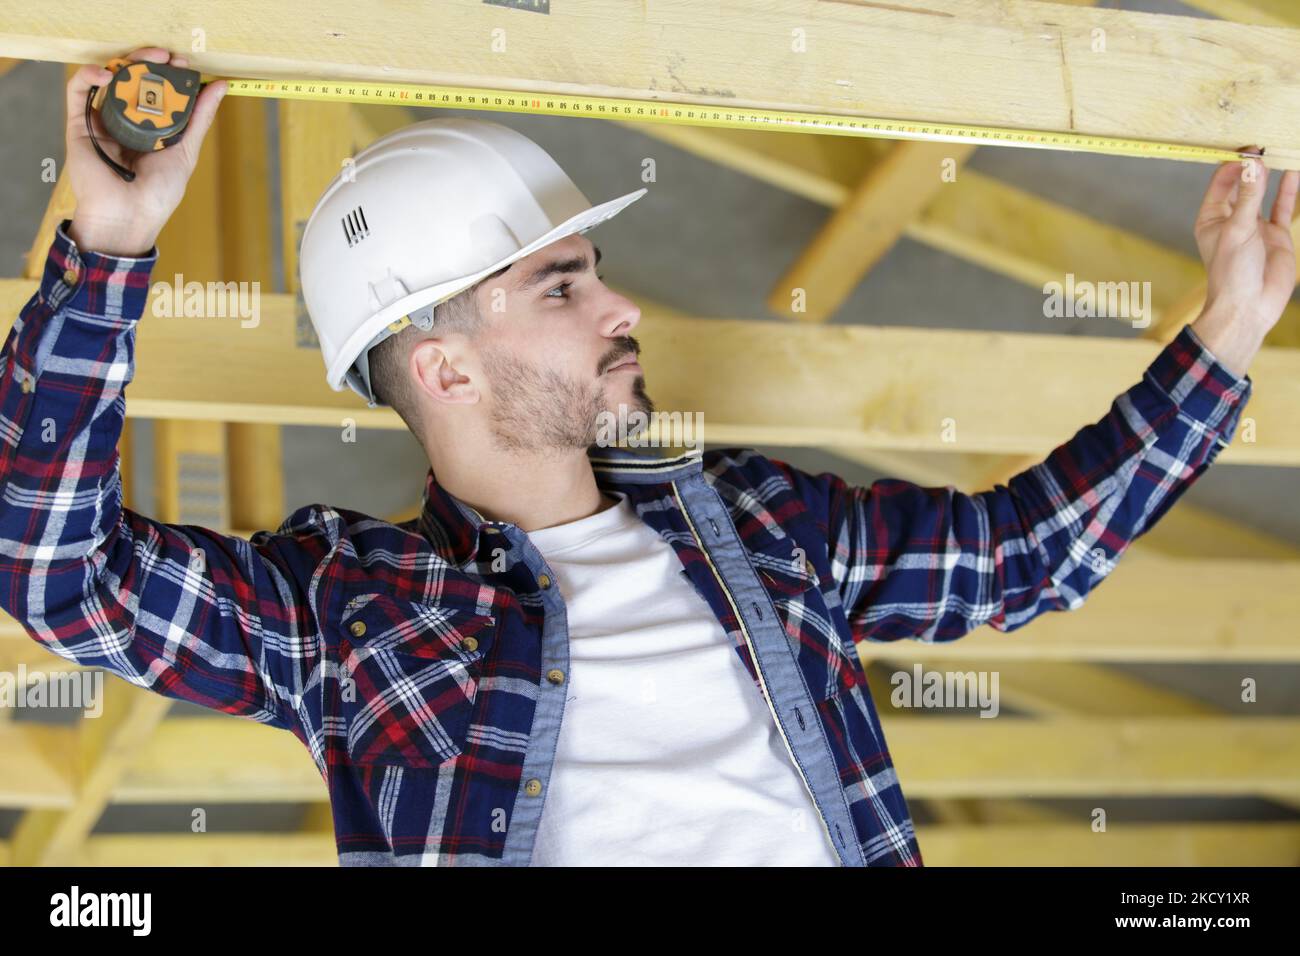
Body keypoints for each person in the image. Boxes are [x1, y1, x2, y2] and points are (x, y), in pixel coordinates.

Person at [1, 48, 1294, 867]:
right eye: (563, 286)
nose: (623, 309)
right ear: (445, 367)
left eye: (598, 276)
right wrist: (106, 250)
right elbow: (60, 580)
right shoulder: (347, 614)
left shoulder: (762, 524)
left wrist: (1229, 325)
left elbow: (1020, 558)